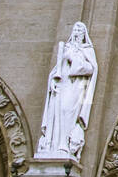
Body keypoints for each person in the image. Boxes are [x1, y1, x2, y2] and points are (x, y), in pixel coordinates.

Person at [37, 22, 98, 159]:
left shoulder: (87, 50)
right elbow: (58, 69)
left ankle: (64, 143)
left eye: (80, 29)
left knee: (67, 112)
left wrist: (74, 59)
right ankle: (53, 144)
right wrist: (53, 80)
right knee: (57, 113)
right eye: (75, 29)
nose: (77, 31)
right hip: (62, 86)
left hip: (75, 87)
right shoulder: (66, 48)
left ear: (84, 34)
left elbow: (91, 68)